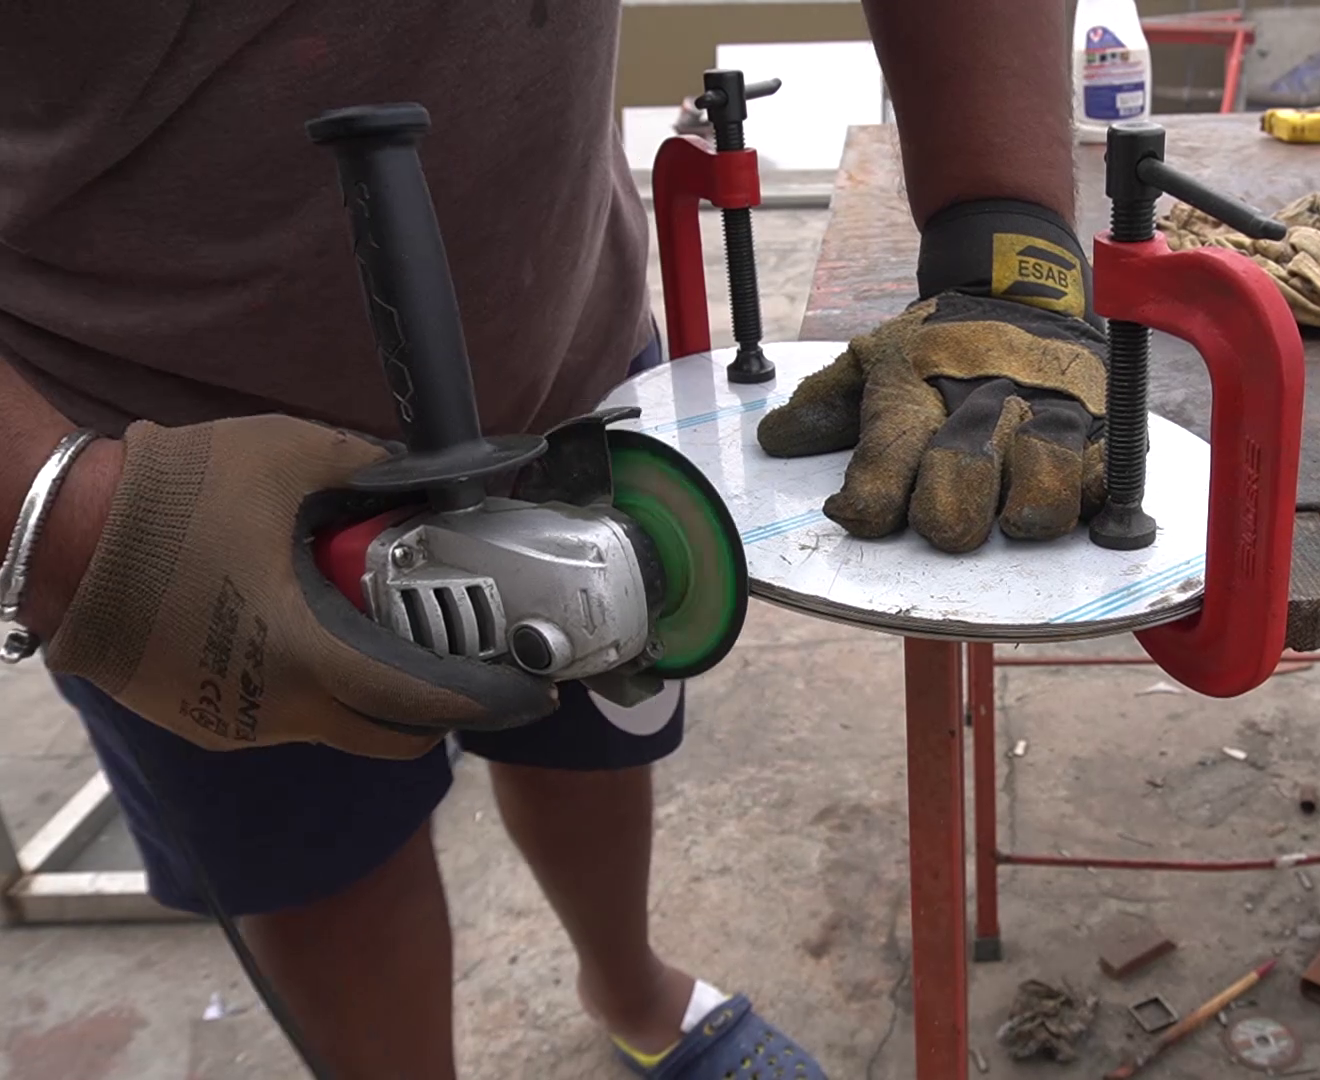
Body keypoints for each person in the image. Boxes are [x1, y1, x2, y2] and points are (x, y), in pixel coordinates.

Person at [0, 2, 1094, 1076]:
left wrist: (1003, 239)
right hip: (168, 481)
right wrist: (61, 514)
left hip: (566, 360)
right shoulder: (131, 509)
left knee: (591, 723)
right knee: (321, 857)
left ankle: (630, 989)